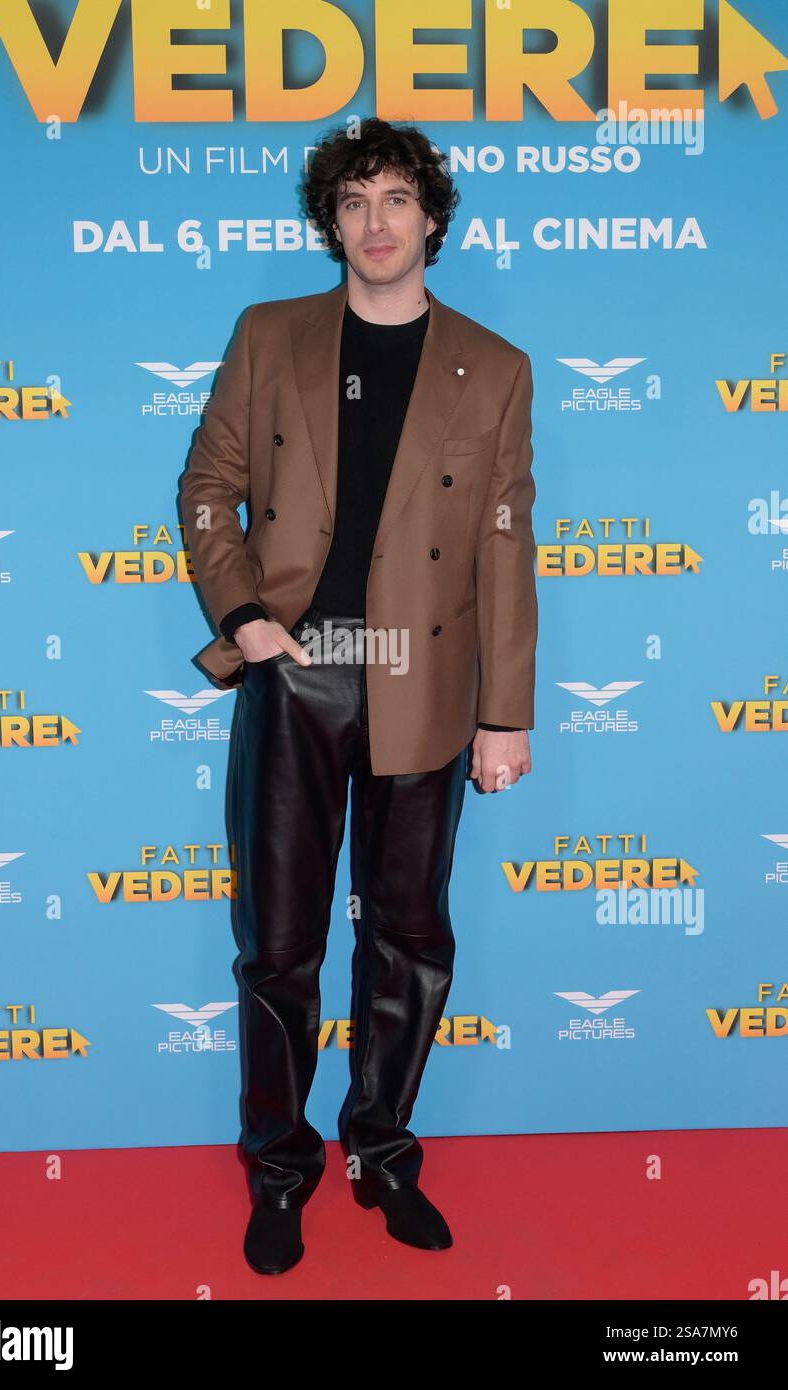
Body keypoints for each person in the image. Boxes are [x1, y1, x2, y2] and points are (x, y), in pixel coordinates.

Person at [181, 117, 537, 1275]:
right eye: (352, 202)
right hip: (296, 678)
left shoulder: (496, 365)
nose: (374, 223)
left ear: (430, 217)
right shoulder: (270, 334)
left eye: (394, 199)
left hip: (426, 680)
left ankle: (381, 1152)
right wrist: (243, 616)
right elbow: (206, 484)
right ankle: (278, 1169)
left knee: (408, 938)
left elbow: (503, 548)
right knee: (277, 947)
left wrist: (506, 712)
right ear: (327, 221)